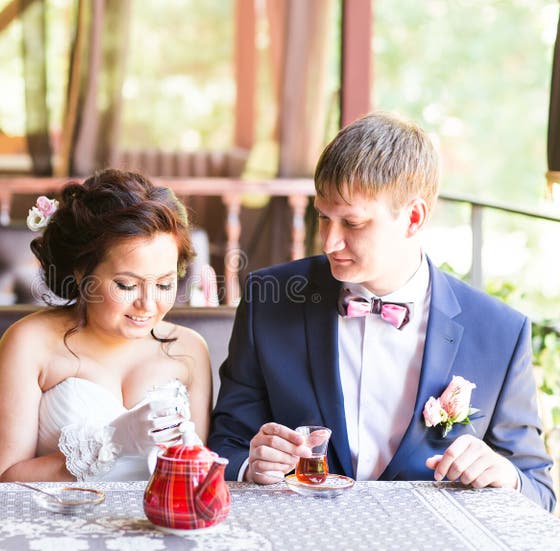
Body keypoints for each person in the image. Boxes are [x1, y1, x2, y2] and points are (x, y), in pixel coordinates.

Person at [207, 112, 555, 511]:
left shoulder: (500, 334)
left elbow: (539, 492)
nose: (329, 242)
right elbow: (226, 446)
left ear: (413, 217)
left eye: (352, 223)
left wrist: (504, 475)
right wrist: (252, 464)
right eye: (323, 217)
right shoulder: (267, 301)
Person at [0, 169, 212, 482]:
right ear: (81, 274)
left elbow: (198, 475)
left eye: (164, 284)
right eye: (126, 285)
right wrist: (113, 441)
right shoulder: (29, 344)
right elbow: (0, 479)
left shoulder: (190, 350)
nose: (148, 304)